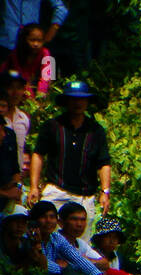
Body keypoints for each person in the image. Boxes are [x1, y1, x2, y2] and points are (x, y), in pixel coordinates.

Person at [28, 78, 112, 222]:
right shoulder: (52, 126)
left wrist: (105, 192)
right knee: (49, 238)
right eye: (73, 99)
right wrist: (34, 187)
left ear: (87, 102)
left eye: (81, 99)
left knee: (80, 243)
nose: (77, 103)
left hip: (84, 196)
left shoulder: (96, 131)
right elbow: (38, 155)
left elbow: (104, 162)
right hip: (56, 191)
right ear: (66, 101)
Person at [27, 200, 118, 275]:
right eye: (43, 217)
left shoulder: (56, 238)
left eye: (52, 217)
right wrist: (65, 268)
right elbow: (44, 266)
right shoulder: (28, 240)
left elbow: (77, 259)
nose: (48, 221)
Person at [0, 69, 30, 198]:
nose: (15, 93)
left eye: (19, 88)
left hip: (15, 182)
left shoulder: (24, 118)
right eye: (10, 88)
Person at [4, 23, 54, 97]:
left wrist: (41, 94)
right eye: (32, 40)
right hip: (19, 84)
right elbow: (22, 78)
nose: (36, 44)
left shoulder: (45, 53)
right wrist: (31, 99)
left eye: (39, 41)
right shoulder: (16, 54)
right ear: (24, 40)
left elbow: (46, 76)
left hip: (36, 83)